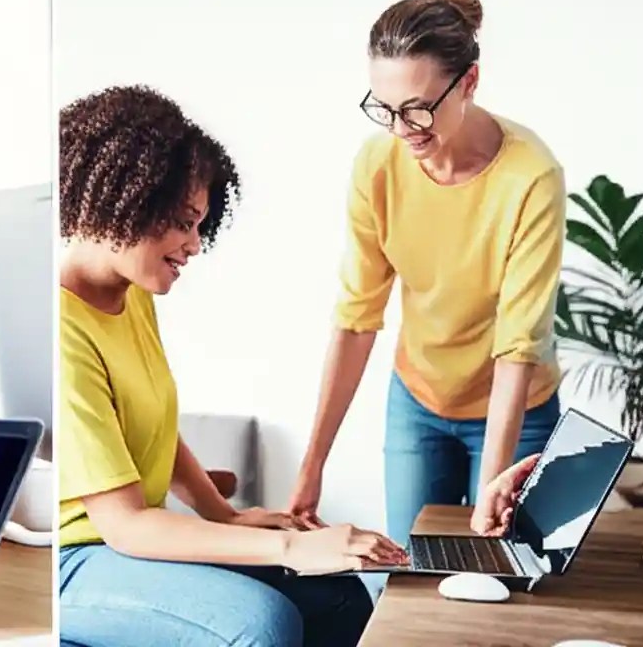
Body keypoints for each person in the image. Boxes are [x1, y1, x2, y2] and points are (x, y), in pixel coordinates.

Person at [57, 85, 404, 647]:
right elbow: (125, 526)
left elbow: (153, 432)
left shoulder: (131, 293)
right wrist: (292, 546)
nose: (195, 244)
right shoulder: (64, 331)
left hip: (124, 546)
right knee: (261, 623)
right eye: (182, 222)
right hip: (76, 558)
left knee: (338, 593)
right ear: (124, 201)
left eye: (201, 224)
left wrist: (224, 514)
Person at [287, 0, 567, 547]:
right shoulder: (378, 164)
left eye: (417, 108)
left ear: (469, 82)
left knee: (501, 570)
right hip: (418, 400)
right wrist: (312, 465)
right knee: (409, 573)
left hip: (516, 406)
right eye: (385, 109)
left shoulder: (531, 177)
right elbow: (355, 318)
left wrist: (491, 488)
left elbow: (518, 347)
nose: (401, 128)